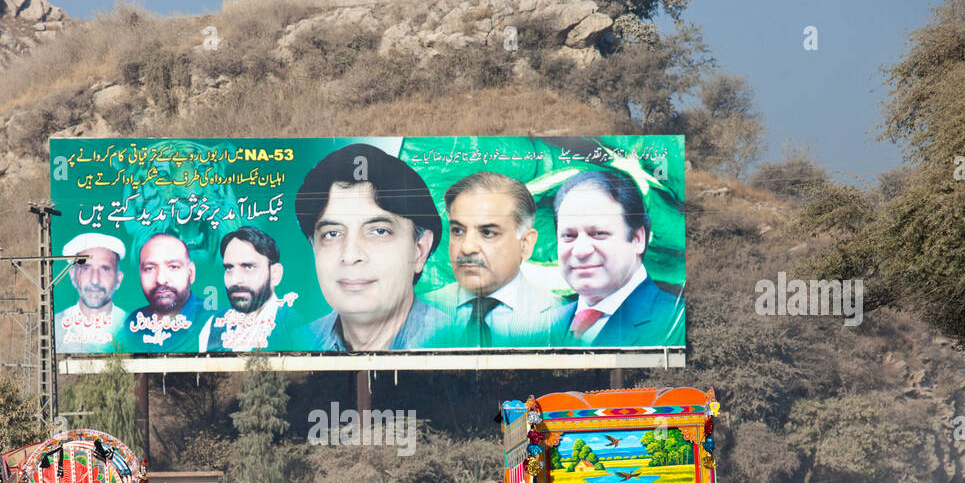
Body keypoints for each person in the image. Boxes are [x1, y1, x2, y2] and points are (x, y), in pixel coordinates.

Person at [292, 142, 449, 351]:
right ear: (314, 249)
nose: (350, 255)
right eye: (332, 234)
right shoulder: (297, 343)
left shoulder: (459, 337)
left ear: (420, 249)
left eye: (379, 231)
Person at [548, 169, 685, 348]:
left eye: (598, 233)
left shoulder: (678, 323)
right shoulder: (546, 325)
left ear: (637, 239)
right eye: (569, 236)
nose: (580, 251)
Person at [426, 171, 559, 348]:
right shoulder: (420, 310)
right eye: (458, 231)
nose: (467, 248)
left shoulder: (562, 317)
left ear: (525, 244)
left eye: (488, 233)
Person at [198, 226, 299, 352]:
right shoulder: (212, 326)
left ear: (275, 274)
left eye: (249, 267)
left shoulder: (295, 327)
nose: (235, 280)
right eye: (229, 268)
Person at [124, 233, 203, 353]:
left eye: (173, 267)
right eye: (150, 268)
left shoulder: (213, 321)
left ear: (191, 273)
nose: (160, 280)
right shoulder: (132, 322)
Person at [55, 233, 127, 351]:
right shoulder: (54, 326)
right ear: (73, 277)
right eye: (86, 269)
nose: (95, 280)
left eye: (105, 269)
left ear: (118, 279)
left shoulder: (129, 325)